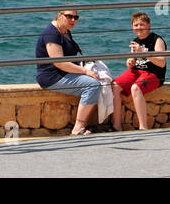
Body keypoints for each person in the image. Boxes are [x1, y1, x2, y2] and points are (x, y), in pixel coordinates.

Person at [35, 8, 120, 136]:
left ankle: (89, 123)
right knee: (92, 85)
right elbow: (59, 63)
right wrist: (85, 71)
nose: (73, 20)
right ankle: (78, 128)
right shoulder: (51, 34)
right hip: (52, 77)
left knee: (101, 79)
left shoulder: (65, 31)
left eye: (76, 17)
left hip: (64, 73)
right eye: (69, 16)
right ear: (59, 15)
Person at [113, 11, 167, 130]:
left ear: (149, 25)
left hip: (154, 73)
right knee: (115, 85)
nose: (139, 28)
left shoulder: (157, 40)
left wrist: (143, 52)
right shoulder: (135, 41)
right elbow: (133, 62)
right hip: (138, 71)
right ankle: (116, 126)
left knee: (135, 88)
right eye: (136, 25)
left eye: (142, 25)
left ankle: (143, 127)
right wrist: (129, 62)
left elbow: (162, 62)